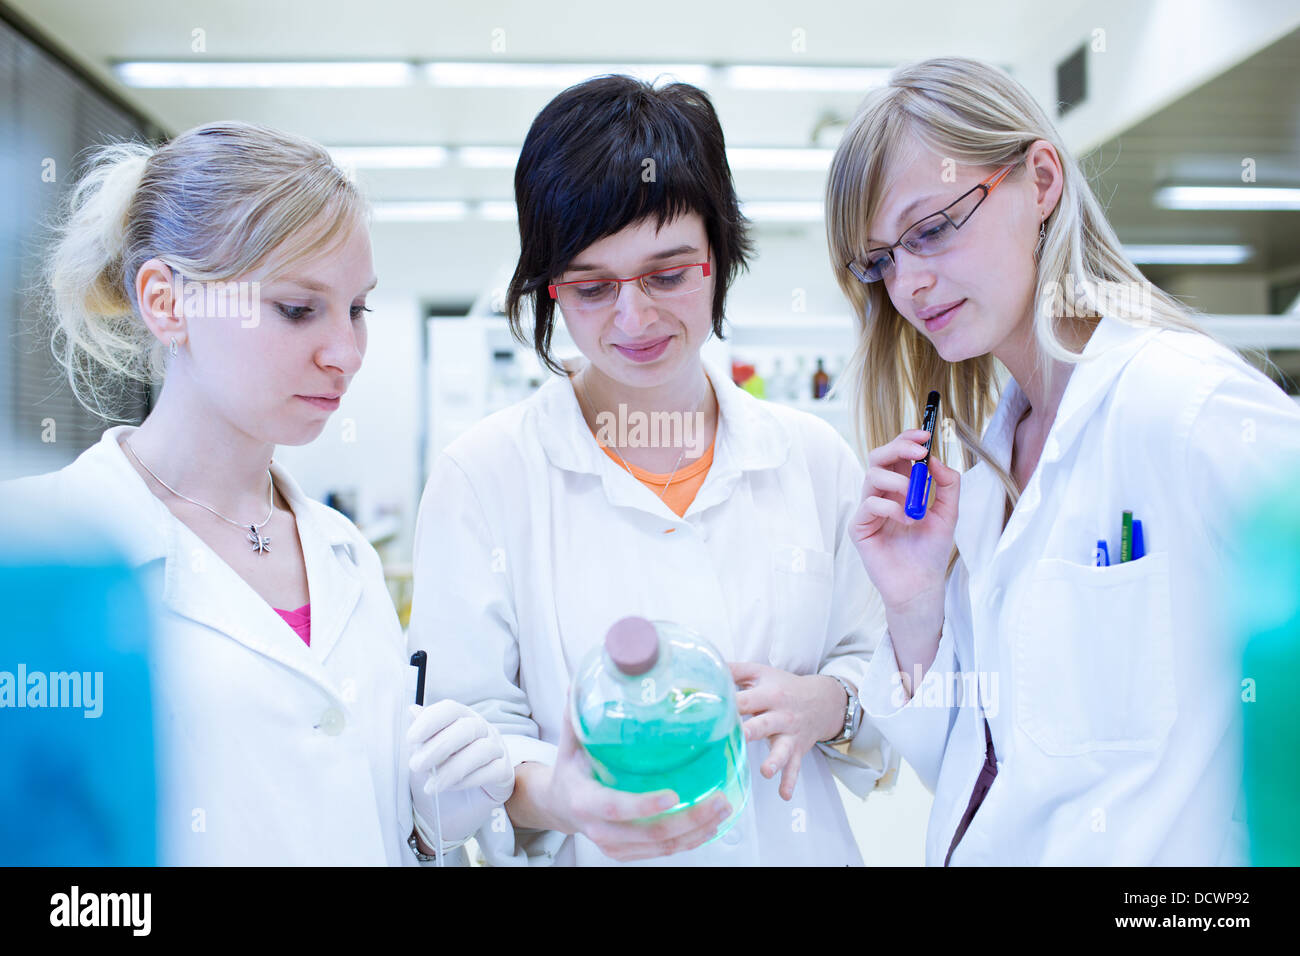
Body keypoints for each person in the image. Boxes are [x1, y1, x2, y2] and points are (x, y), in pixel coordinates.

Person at [407, 75, 898, 866]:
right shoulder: (485, 477)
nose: (633, 319)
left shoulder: (811, 461)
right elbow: (461, 750)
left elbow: (879, 670)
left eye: (668, 274)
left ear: (719, 257)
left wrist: (827, 704)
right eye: (593, 287)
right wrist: (561, 793)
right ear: (548, 288)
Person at [824, 56, 1300, 865]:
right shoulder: (981, 480)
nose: (909, 284)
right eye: (881, 261)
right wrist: (913, 608)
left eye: (931, 229)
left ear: (1040, 180)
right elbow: (986, 779)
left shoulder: (1183, 406)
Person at [4, 122, 511, 865]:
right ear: (166, 301)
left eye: (357, 308)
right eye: (298, 309)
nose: (346, 353)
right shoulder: (44, 551)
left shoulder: (347, 560)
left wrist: (424, 820)